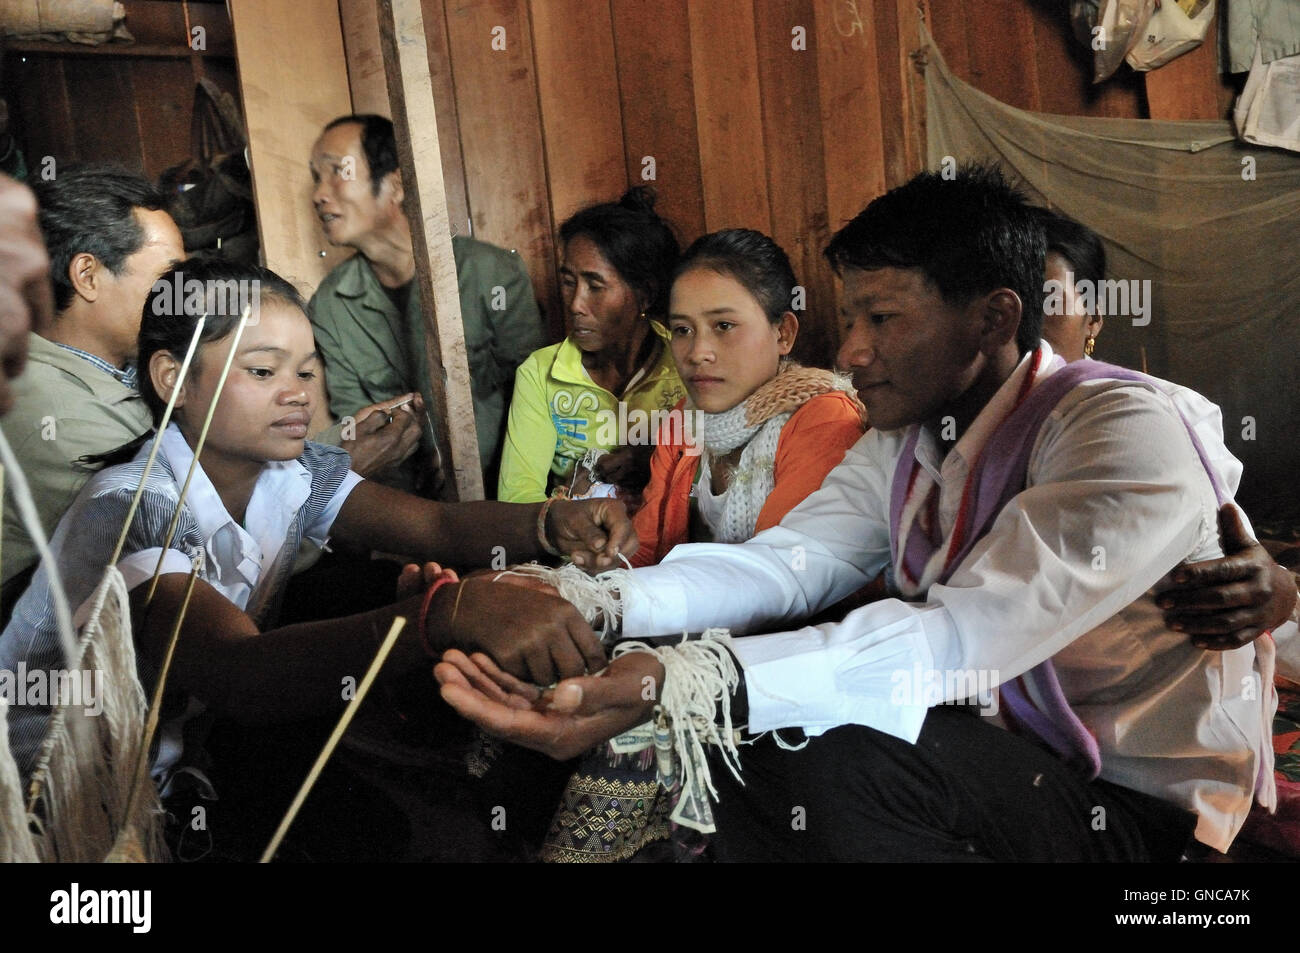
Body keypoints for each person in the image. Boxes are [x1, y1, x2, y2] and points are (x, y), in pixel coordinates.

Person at [437, 165, 1293, 862]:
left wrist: (691, 680)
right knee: (774, 734)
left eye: (882, 318)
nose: (850, 351)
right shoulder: (914, 434)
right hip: (1011, 751)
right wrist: (597, 603)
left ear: (993, 316)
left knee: (829, 760)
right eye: (850, 317)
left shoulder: (1124, 431)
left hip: (1133, 808)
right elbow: (792, 558)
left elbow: (964, 636)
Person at [0, 260, 634, 857]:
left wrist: (552, 523)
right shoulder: (136, 506)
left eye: (306, 371)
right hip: (54, 814)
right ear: (174, 379)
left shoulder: (289, 472)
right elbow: (239, 675)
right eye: (262, 371)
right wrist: (444, 613)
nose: (298, 393)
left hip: (166, 773)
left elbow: (435, 523)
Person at [540, 228, 866, 862]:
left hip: (785, 657)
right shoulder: (685, 426)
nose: (698, 352)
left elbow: (785, 591)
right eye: (683, 330)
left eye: (724, 326)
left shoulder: (823, 418)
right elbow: (653, 552)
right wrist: (597, 557)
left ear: (784, 334)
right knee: (552, 646)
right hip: (694, 635)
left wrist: (629, 627)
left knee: (627, 713)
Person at [1035, 207, 1295, 651]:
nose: (1019, 328)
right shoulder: (933, 427)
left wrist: (1278, 593)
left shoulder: (1164, 413)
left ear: (1094, 319)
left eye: (1049, 303)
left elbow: (1232, 571)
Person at [308, 114, 544, 494]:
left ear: (396, 185)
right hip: (406, 515)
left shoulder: (492, 273)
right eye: (316, 178)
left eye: (337, 171)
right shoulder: (331, 306)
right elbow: (356, 426)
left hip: (503, 496)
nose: (319, 193)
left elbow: (534, 397)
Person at [1, 167, 184, 610]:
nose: (186, 295)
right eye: (171, 277)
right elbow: (188, 536)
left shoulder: (124, 370)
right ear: (87, 275)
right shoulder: (53, 413)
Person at [497, 188, 686, 504]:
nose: (575, 304)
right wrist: (570, 501)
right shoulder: (541, 373)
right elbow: (516, 498)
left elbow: (712, 485)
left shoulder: (685, 365)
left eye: (595, 286)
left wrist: (651, 462)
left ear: (645, 294)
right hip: (577, 549)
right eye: (569, 282)